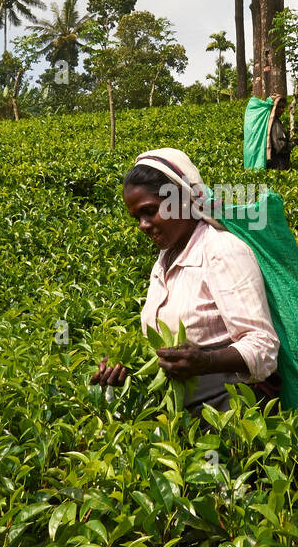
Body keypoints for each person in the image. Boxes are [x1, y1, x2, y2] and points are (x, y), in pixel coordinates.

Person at [91, 148, 281, 413]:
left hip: (229, 408)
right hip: (180, 407)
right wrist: (125, 362)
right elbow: (161, 341)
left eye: (150, 211)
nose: (143, 225)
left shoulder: (222, 251)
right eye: (137, 218)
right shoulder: (165, 258)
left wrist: (207, 361)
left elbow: (263, 347)